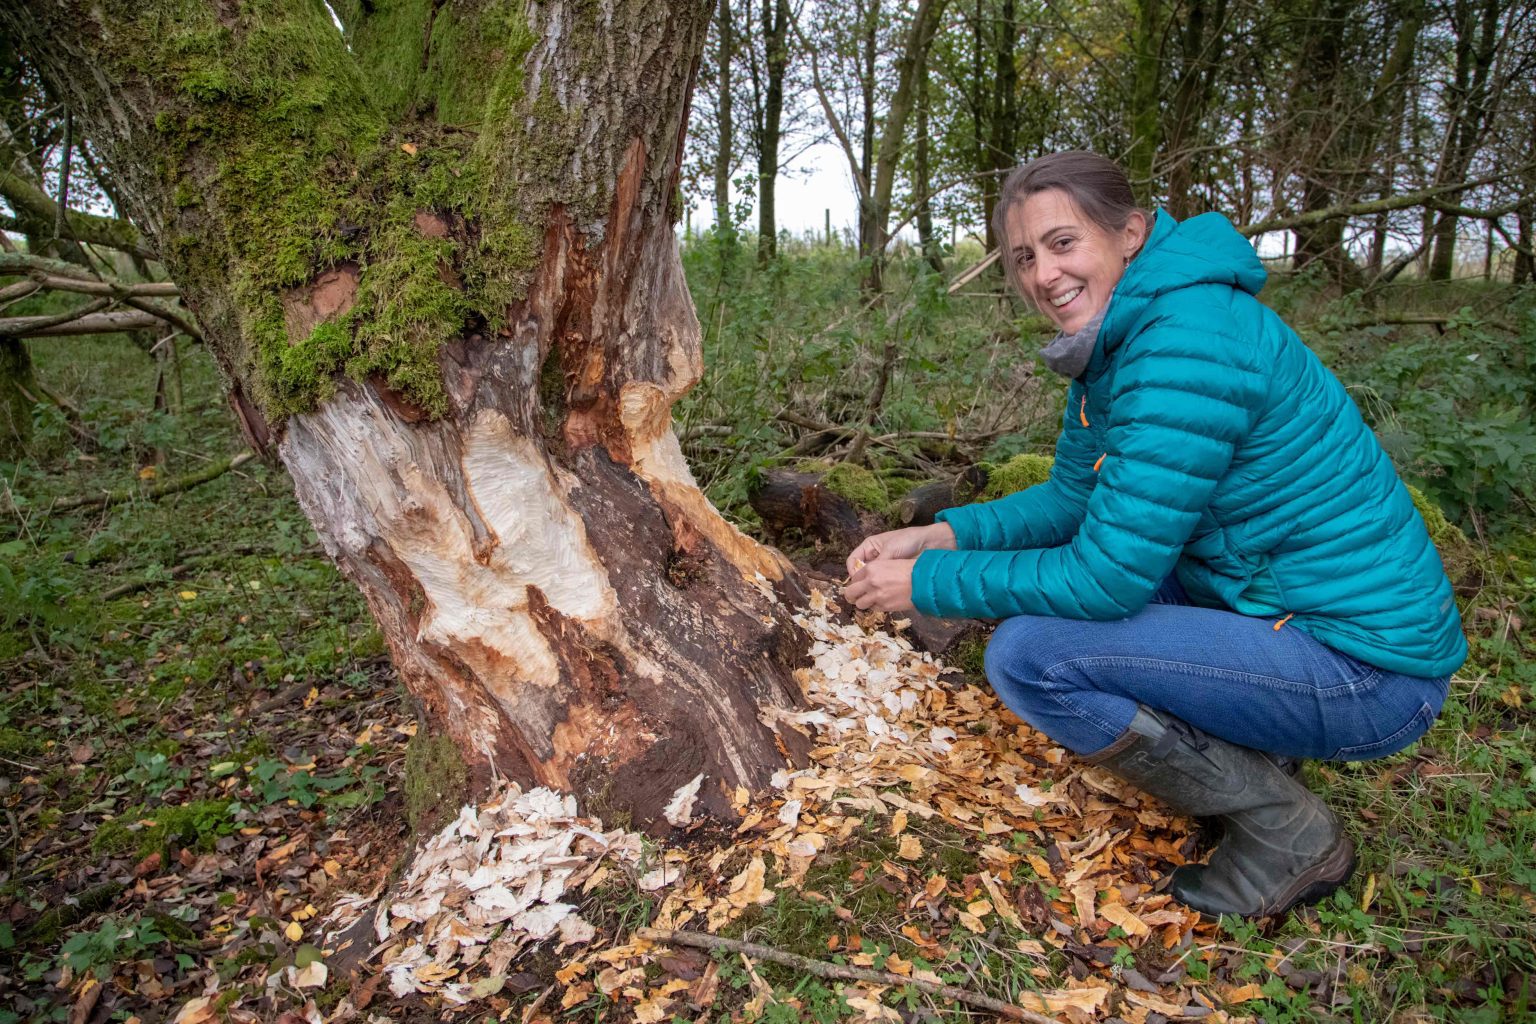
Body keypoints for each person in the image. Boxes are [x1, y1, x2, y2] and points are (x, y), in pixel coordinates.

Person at [842, 151, 1466, 919]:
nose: (1044, 275)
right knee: (1052, 604)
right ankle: (1250, 742)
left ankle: (1285, 830)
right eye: (1024, 257)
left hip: (1368, 671)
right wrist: (945, 536)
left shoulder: (1184, 340)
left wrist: (926, 586)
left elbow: (1107, 578)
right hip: (1270, 597)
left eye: (1064, 243)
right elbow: (1077, 494)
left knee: (1033, 655)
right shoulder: (1126, 334)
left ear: (1129, 233)